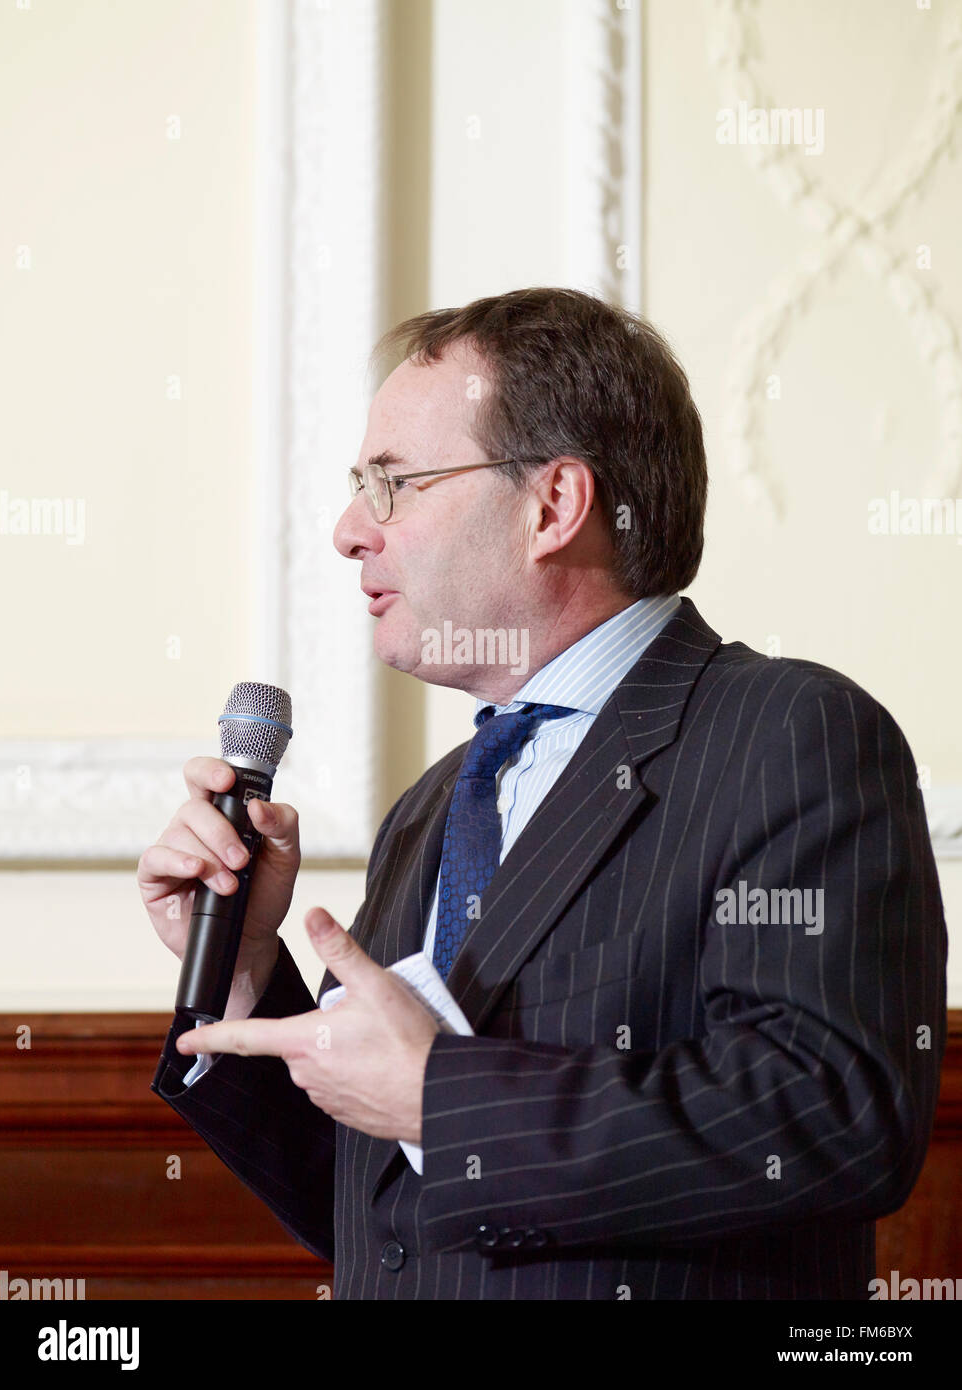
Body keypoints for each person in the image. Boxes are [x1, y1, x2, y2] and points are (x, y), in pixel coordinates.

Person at [141, 287, 947, 1300]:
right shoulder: (432, 808)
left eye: (393, 482)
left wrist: (442, 1097)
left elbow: (832, 1115)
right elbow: (381, 1217)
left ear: (554, 504)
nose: (349, 529)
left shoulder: (788, 731)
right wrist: (246, 970)